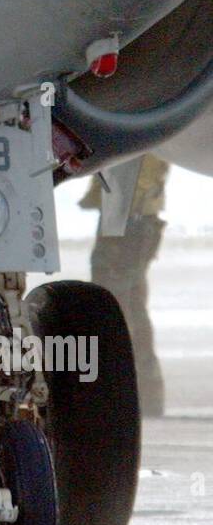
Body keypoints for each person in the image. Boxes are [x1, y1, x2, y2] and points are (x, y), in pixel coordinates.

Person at [80, 154, 169, 418]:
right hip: (133, 215)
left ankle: (116, 393)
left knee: (111, 307)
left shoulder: (137, 123)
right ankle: (144, 393)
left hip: (127, 216)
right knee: (129, 305)